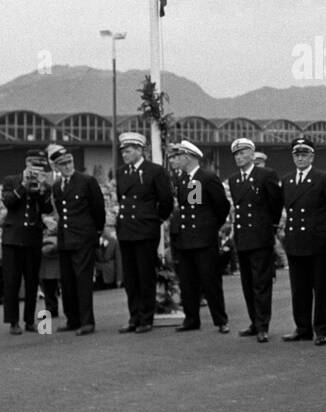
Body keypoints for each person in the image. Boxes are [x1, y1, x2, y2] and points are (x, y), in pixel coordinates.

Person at [279, 138, 326, 346]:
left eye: (304, 154)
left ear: (312, 156)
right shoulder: (287, 180)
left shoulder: (323, 178)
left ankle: (321, 330)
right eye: (296, 154)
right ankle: (302, 327)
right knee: (299, 289)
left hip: (317, 242)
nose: (300, 158)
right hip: (296, 241)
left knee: (320, 288)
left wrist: (325, 234)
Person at [113, 132, 175, 334]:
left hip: (145, 229)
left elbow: (166, 200)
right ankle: (134, 317)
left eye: (128, 151)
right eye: (123, 151)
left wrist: (155, 219)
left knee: (144, 275)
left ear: (140, 151)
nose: (125, 154)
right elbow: (121, 199)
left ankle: (146, 318)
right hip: (126, 231)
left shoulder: (155, 171)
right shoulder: (121, 172)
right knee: (130, 278)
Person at [226, 138, 284, 343]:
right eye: (236, 154)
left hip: (260, 236)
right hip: (243, 237)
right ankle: (254, 321)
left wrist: (271, 227)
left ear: (252, 154)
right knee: (247, 283)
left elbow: (276, 204)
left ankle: (262, 325)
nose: (239, 157)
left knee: (261, 283)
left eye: (243, 153)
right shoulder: (234, 180)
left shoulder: (265, 175)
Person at [169, 141, 230, 333]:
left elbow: (222, 206)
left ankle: (220, 319)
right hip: (185, 239)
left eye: (180, 156)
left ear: (189, 157)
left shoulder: (207, 178)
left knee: (210, 280)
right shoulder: (181, 180)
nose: (178, 159)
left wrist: (211, 227)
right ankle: (191, 319)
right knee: (187, 282)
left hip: (204, 238)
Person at [48, 144, 105, 335]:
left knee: (83, 281)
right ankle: (73, 319)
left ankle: (87, 321)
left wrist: (96, 233)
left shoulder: (86, 181)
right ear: (56, 167)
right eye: (62, 164)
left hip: (83, 238)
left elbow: (98, 210)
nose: (67, 166)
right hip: (65, 239)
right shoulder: (57, 186)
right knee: (67, 281)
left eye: (69, 162)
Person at [0, 151, 52, 334]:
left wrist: (43, 191)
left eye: (39, 166)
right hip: (13, 238)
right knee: (12, 282)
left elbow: (47, 208)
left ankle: (30, 320)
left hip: (32, 237)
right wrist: (23, 186)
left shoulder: (44, 183)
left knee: (32, 281)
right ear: (27, 163)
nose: (36, 170)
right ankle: (13, 321)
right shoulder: (11, 180)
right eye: (34, 165)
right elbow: (9, 202)